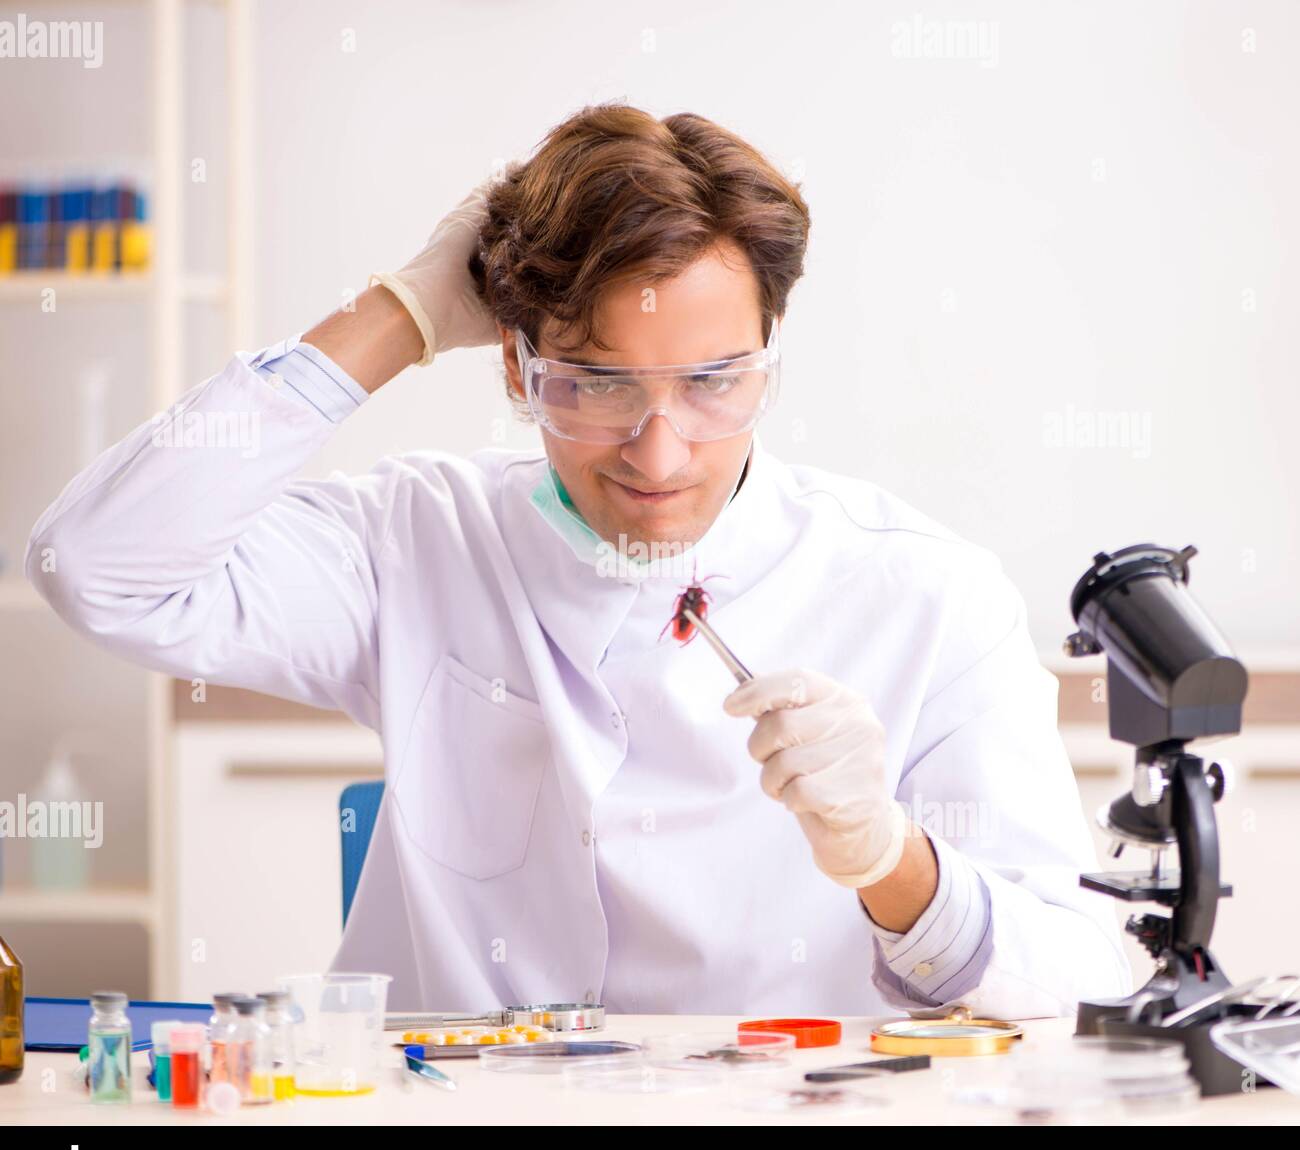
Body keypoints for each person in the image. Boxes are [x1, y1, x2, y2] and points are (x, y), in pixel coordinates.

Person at [27, 103, 1129, 1015]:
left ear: (768, 360)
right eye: (595, 385)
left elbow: (1076, 981)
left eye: (713, 382)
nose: (660, 452)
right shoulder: (417, 539)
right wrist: (400, 314)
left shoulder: (926, 596)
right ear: (516, 369)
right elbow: (96, 565)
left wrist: (891, 860)